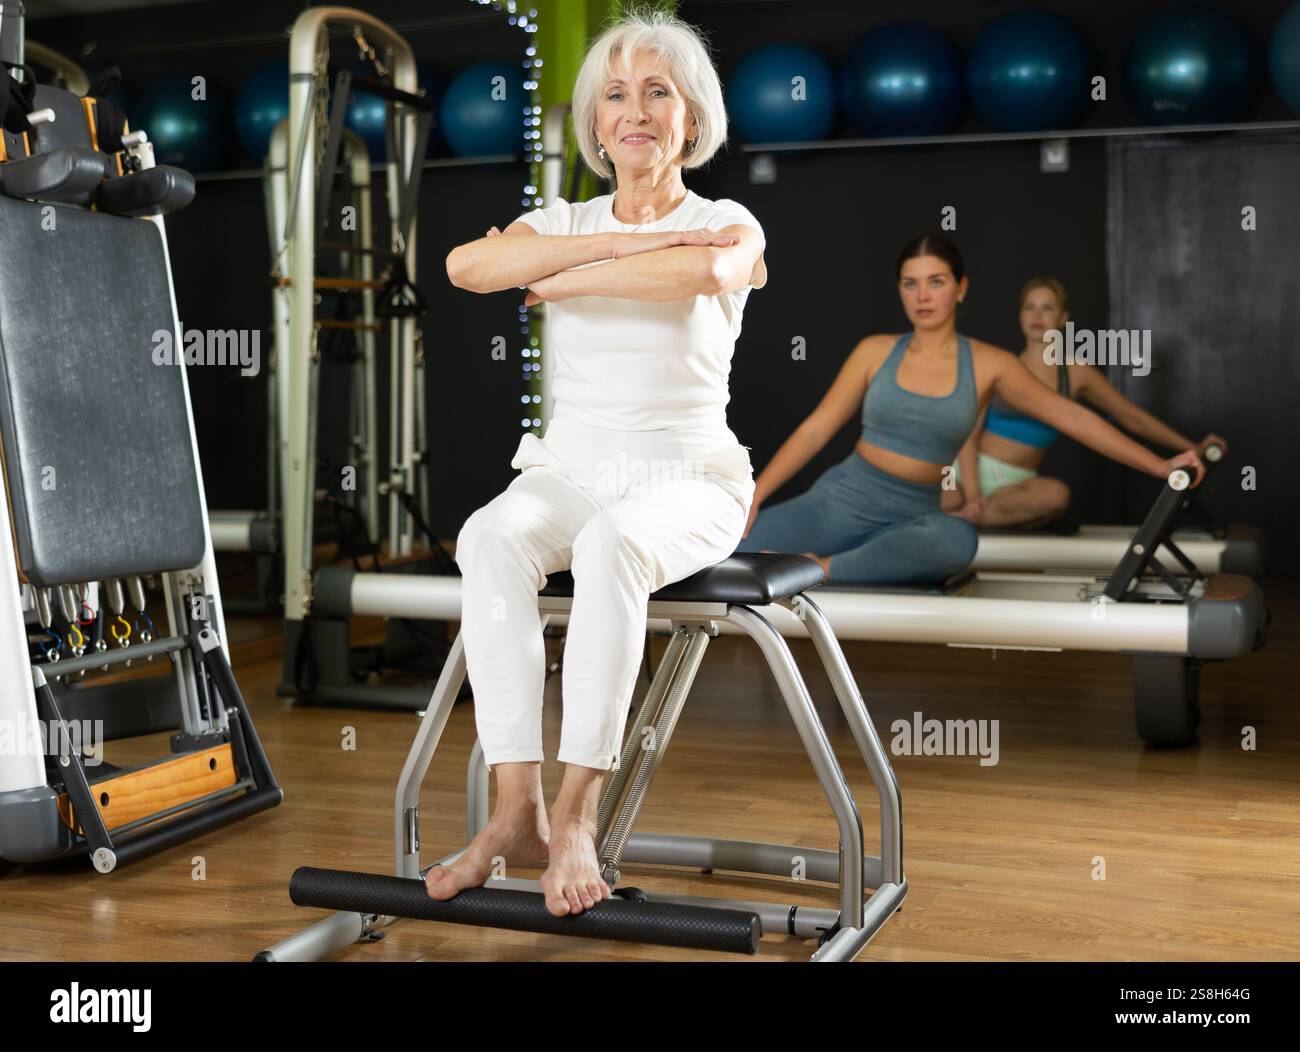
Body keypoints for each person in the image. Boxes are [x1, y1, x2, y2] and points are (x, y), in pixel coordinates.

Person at [433, 9, 767, 918]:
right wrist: (615, 243)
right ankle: (517, 809)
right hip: (569, 471)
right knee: (489, 535)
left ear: (690, 118)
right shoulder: (566, 216)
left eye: (658, 91)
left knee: (615, 543)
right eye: (616, 93)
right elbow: (468, 267)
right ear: (595, 121)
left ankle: (578, 814)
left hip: (690, 480)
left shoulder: (727, 220)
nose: (636, 110)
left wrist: (560, 273)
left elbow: (701, 275)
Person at [736, 235, 1204, 584]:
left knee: (956, 542)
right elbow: (817, 429)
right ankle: (840, 558)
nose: (922, 296)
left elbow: (1076, 418)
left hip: (919, 512)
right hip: (843, 499)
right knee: (730, 552)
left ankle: (818, 568)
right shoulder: (874, 350)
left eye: (935, 282)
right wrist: (756, 495)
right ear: (900, 290)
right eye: (910, 284)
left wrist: (1160, 464)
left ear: (960, 288)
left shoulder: (989, 364)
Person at [940, 276, 1226, 528]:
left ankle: (962, 519)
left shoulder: (1075, 373)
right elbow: (968, 434)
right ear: (1019, 316)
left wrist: (1193, 447)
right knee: (948, 495)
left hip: (1017, 484)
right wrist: (973, 494)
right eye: (1029, 307)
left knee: (1056, 496)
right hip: (964, 471)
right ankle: (963, 513)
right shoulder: (1002, 365)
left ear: (1063, 318)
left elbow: (1131, 416)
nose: (1037, 315)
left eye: (1047, 307)